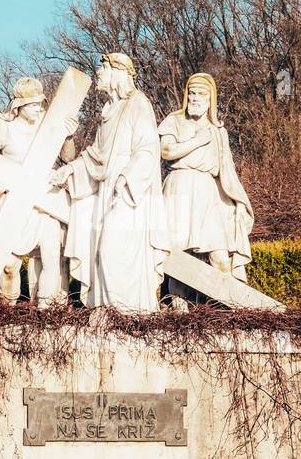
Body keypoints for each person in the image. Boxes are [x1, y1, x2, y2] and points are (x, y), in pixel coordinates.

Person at [50, 53, 169, 311]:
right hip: (106, 189)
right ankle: (108, 309)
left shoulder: (138, 103)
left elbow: (148, 148)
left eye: (102, 69)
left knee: (112, 248)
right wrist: (69, 170)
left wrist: (128, 176)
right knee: (100, 252)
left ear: (118, 72)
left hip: (129, 192)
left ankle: (125, 311)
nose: (99, 74)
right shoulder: (108, 112)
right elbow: (95, 156)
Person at [0, 76, 69, 303]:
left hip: (45, 198)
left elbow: (67, 156)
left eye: (40, 104)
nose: (38, 109)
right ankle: (7, 307)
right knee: (8, 264)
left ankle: (48, 309)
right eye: (33, 105)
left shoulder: (48, 124)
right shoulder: (3, 127)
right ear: (19, 106)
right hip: (13, 200)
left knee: (52, 257)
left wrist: (69, 137)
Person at [158, 72, 254, 281]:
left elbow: (227, 171)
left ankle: (228, 299)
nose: (195, 98)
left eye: (201, 94)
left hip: (207, 191)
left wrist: (238, 202)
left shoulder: (218, 131)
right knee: (178, 251)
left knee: (219, 254)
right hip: (179, 186)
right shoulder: (174, 120)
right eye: (192, 93)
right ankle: (178, 299)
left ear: (210, 99)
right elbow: (166, 151)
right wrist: (197, 141)